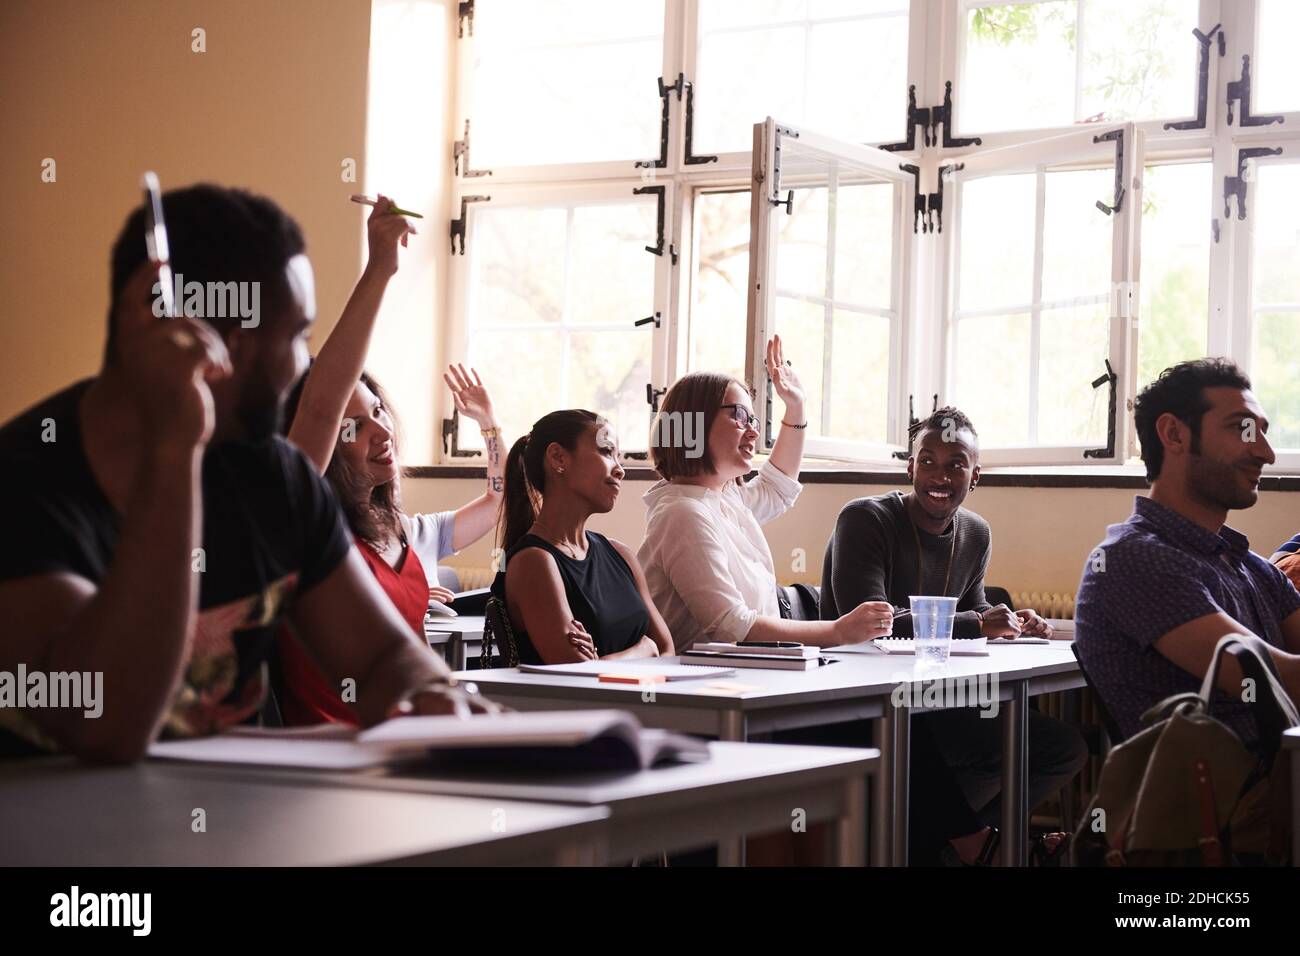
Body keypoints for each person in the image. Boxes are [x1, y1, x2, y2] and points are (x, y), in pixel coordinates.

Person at [0, 184, 494, 762]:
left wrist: (433, 693)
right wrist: (174, 448)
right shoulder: (26, 483)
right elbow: (106, 723)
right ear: (225, 343)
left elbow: (380, 657)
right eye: (298, 337)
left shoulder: (275, 479)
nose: (301, 366)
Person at [275, 196, 505, 725]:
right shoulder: (301, 519)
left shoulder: (408, 532)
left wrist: (490, 427)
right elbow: (317, 406)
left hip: (395, 747)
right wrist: (380, 269)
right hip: (325, 754)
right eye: (352, 425)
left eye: (379, 411)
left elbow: (498, 499)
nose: (379, 429)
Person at [820, 406, 1086, 854]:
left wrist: (1016, 623)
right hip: (867, 702)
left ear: (975, 475)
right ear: (909, 466)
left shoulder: (975, 533)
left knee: (1063, 748)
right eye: (927, 461)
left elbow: (972, 610)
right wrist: (979, 624)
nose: (938, 476)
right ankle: (971, 845)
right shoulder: (865, 519)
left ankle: (952, 845)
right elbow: (871, 623)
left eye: (955, 464)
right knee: (939, 742)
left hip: (937, 702)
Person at [1076, 359, 1300, 755]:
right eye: (1242, 428)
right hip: (1230, 809)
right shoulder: (1133, 560)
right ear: (1174, 434)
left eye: (1264, 432)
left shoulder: (1252, 567)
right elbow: (1278, 679)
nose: (1265, 452)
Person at [638, 337, 892, 651]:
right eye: (739, 416)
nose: (754, 431)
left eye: (754, 419)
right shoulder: (683, 513)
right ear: (695, 421)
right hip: (703, 688)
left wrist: (796, 406)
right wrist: (838, 632)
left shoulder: (724, 501)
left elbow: (776, 487)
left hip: (745, 675)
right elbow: (730, 626)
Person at [491, 409, 674, 665]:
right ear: (558, 458)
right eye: (607, 452)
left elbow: (667, 650)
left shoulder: (621, 554)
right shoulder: (534, 563)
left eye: (619, 457)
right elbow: (579, 675)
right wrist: (644, 649)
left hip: (642, 703)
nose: (620, 470)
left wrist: (606, 660)